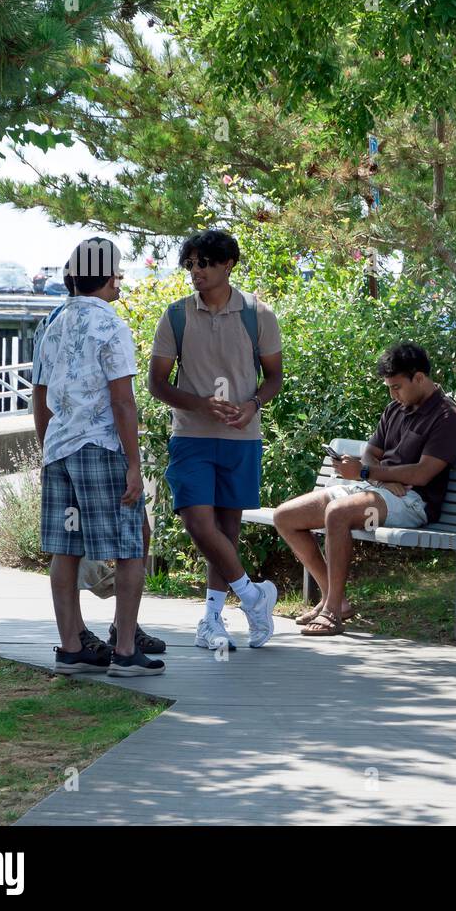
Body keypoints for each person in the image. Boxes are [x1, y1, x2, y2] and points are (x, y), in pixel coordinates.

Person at [272, 342, 456, 636]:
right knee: (285, 516)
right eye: (389, 387)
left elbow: (423, 474)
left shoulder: (447, 417)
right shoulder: (395, 409)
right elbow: (369, 453)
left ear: (419, 378)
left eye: (397, 387)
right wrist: (377, 477)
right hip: (377, 489)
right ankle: (334, 598)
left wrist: (367, 472)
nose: (392, 394)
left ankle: (333, 611)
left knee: (337, 513)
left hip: (413, 500)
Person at [148, 229, 283, 651]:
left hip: (242, 438)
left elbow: (274, 377)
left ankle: (212, 620)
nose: (196, 272)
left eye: (204, 263)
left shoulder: (258, 314)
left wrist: (253, 405)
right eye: (190, 264)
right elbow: (156, 384)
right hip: (191, 436)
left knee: (226, 532)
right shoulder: (176, 316)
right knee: (198, 523)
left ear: (228, 264)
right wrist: (200, 405)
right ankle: (252, 595)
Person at [32, 238, 162, 677]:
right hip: (101, 448)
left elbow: (40, 395)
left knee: (65, 549)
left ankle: (71, 647)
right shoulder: (111, 326)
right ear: (108, 278)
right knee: (128, 546)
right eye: (119, 275)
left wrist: (46, 449)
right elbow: (123, 402)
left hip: (59, 450)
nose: (121, 282)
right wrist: (134, 463)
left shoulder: (52, 322)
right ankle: (125, 650)